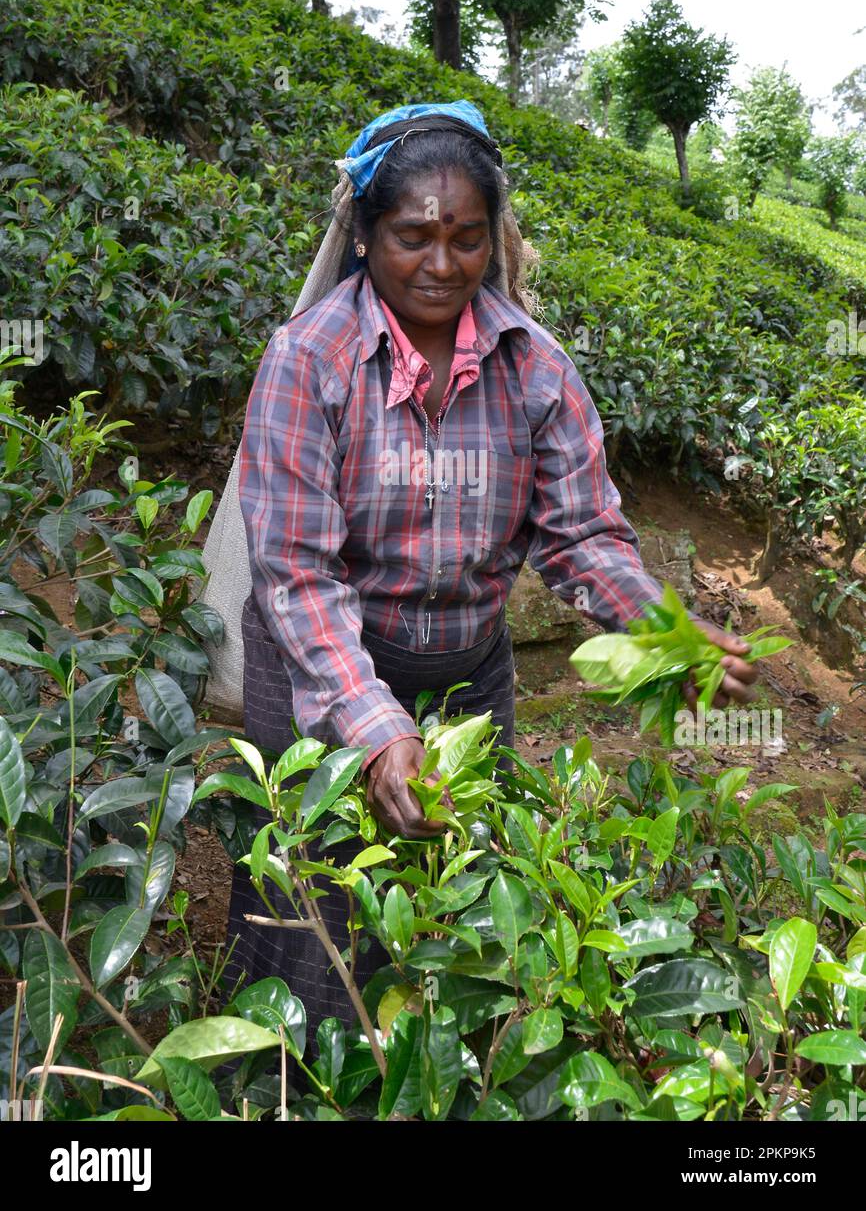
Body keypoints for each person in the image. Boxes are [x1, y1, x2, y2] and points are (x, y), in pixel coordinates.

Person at [221, 99, 759, 1044]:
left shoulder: (534, 369)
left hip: (468, 669)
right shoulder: (309, 361)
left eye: (467, 239)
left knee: (459, 900)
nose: (442, 264)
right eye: (413, 237)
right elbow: (298, 575)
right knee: (315, 912)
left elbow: (583, 532)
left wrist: (662, 630)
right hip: (322, 666)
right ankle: (283, 1081)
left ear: (494, 239)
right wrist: (377, 731)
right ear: (364, 235)